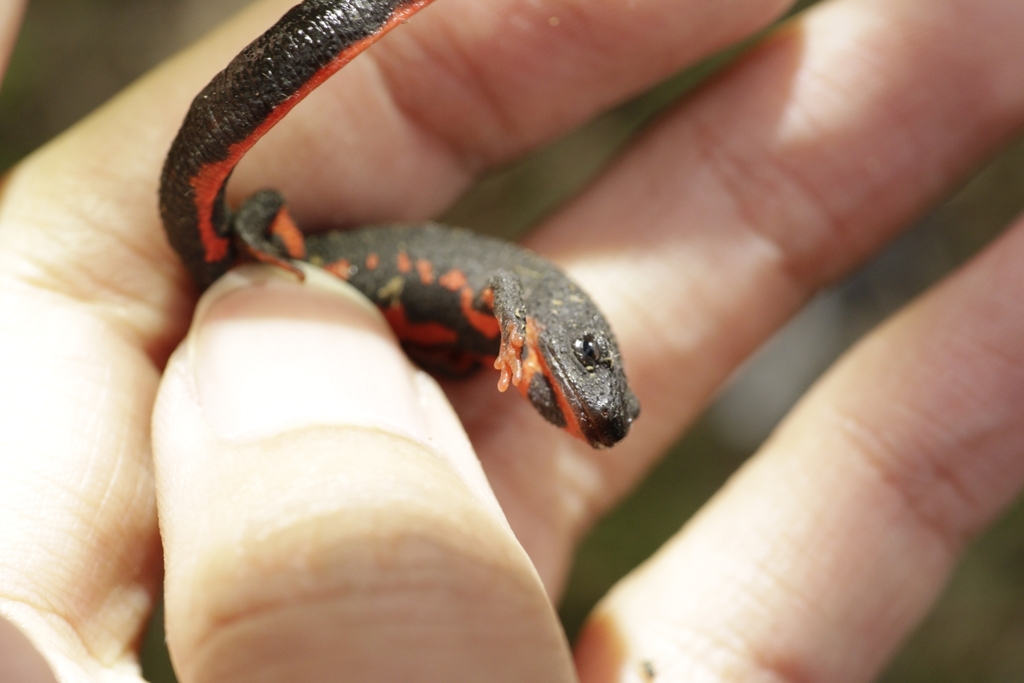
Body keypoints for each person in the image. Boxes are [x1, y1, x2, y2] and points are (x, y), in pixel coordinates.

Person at [1, 0, 1023, 680]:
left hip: (309, 293)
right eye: (593, 378)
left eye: (597, 401)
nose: (593, 403)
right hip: (273, 257)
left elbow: (532, 381)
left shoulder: (525, 339)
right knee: (224, 156)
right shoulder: (532, 305)